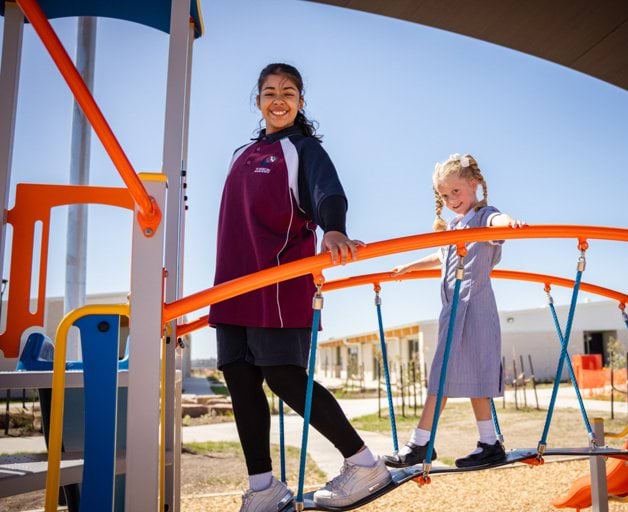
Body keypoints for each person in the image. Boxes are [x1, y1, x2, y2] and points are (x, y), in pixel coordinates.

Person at [209, 63, 391, 512]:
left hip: (278, 282)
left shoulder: (303, 148)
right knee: (239, 379)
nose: (278, 99)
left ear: (300, 102)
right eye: (269, 92)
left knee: (284, 376)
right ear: (257, 101)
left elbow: (328, 191)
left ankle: (364, 463)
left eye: (288, 92)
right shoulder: (240, 153)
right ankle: (264, 486)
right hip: (232, 284)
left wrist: (333, 229)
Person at [383, 153, 525, 469]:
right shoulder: (454, 226)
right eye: (445, 196)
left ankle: (420, 443)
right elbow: (441, 255)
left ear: (474, 185)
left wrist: (510, 222)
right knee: (468, 374)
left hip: (474, 307)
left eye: (456, 192)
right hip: (454, 309)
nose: (451, 200)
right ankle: (489, 443)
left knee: (441, 376)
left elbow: (496, 221)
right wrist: (411, 265)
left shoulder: (482, 216)